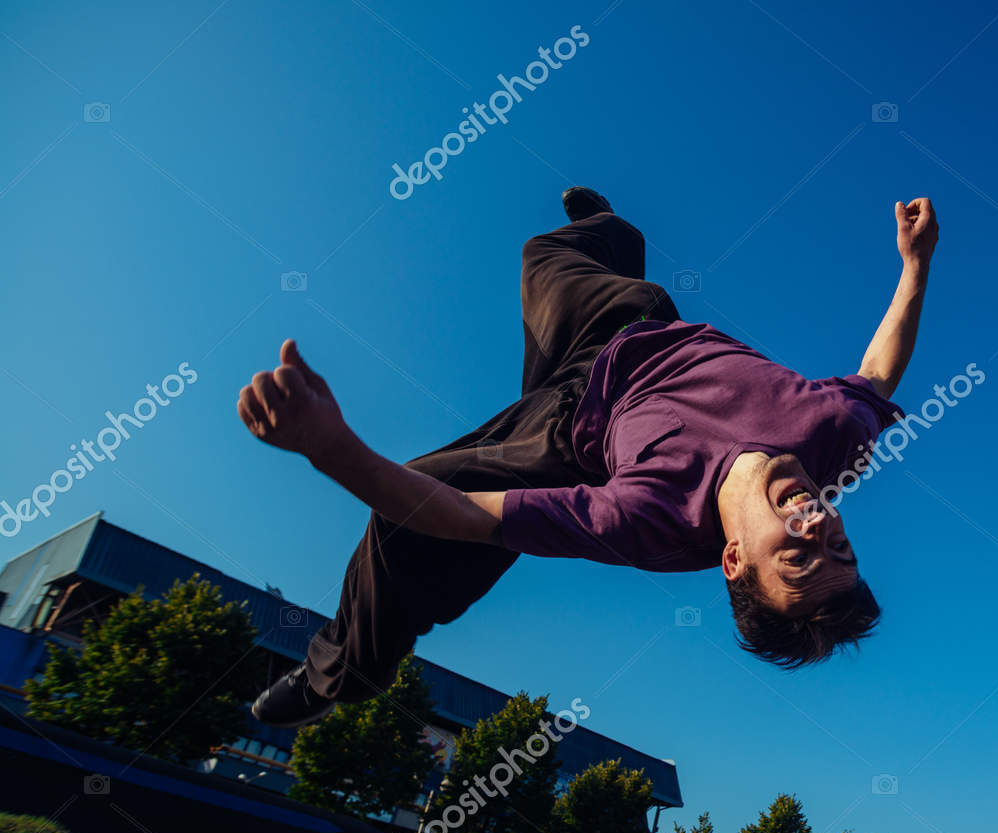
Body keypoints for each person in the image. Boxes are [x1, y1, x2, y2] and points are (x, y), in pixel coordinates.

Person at [239, 188, 938, 726]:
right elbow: (878, 372)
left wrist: (329, 449)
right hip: (625, 327)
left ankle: (341, 675)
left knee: (415, 512)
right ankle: (612, 232)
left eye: (798, 558)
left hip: (563, 433)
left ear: (733, 559)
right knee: (551, 252)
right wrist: (916, 263)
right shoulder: (835, 437)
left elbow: (466, 514)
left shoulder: (647, 519)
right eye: (841, 552)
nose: (821, 532)